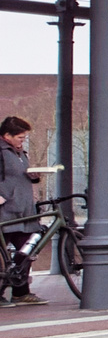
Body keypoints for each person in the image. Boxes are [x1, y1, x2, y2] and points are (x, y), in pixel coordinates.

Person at [0, 116, 45, 305]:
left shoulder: (19, 152)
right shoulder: (1, 152)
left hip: (25, 210)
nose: (22, 140)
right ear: (7, 135)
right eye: (20, 137)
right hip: (6, 209)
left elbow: (20, 176)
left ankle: (21, 291)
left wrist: (34, 176)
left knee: (27, 249)